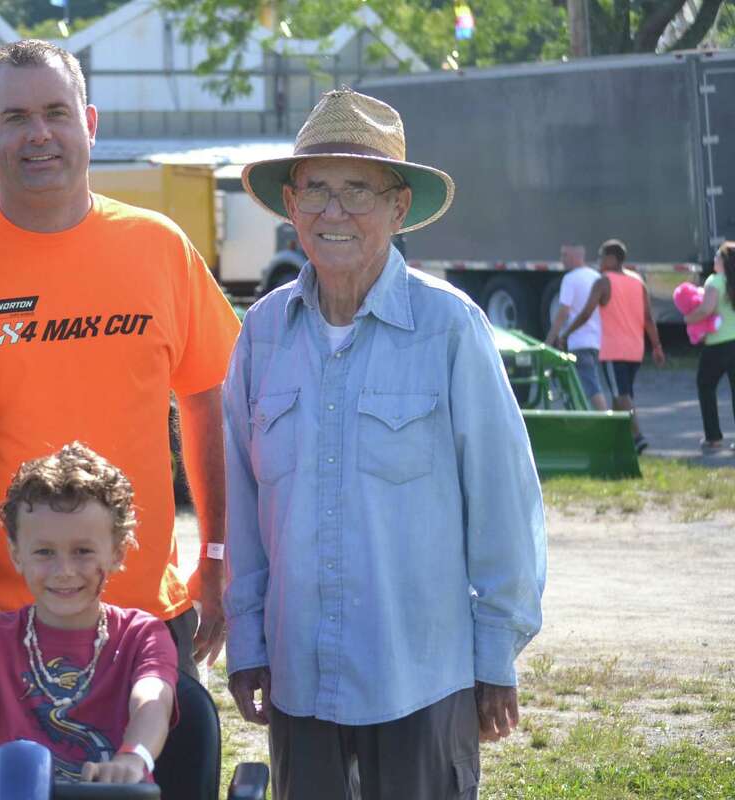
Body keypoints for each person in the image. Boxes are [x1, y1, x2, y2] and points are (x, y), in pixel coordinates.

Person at [223, 89, 546, 800]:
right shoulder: (262, 333)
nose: (333, 212)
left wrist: (495, 654)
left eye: (358, 190)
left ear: (399, 208)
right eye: (316, 189)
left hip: (420, 677)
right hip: (299, 678)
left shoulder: (450, 326)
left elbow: (504, 502)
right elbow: (243, 511)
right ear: (290, 204)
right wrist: (246, 639)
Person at [0, 40, 239, 675]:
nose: (39, 134)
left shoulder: (158, 247)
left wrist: (217, 554)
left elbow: (208, 401)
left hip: (143, 613)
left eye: (56, 112)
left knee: (169, 744)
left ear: (89, 122)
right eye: (15, 117)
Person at [0, 443, 177, 783]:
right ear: (16, 554)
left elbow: (152, 704)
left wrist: (132, 758)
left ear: (117, 553)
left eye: (83, 551)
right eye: (44, 552)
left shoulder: (143, 636)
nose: (64, 571)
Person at [560, 239, 665, 452]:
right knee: (621, 395)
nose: (598, 261)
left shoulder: (603, 282)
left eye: (601, 256)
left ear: (611, 258)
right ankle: (617, 439)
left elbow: (586, 312)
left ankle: (638, 437)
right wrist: (656, 346)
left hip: (613, 350)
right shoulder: (638, 281)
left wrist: (567, 333)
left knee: (622, 395)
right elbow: (648, 318)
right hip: (635, 349)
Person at [684, 240, 735, 452]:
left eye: (717, 256)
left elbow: (706, 309)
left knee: (705, 385)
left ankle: (713, 437)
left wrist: (688, 319)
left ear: (724, 261)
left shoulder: (715, 281)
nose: (714, 259)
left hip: (718, 344)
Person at [546, 244, 608, 410]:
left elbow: (563, 312)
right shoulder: (596, 277)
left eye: (565, 255)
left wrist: (550, 341)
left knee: (590, 386)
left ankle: (605, 418)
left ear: (576, 256)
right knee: (590, 383)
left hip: (579, 342)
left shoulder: (570, 279)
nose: (562, 260)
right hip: (597, 342)